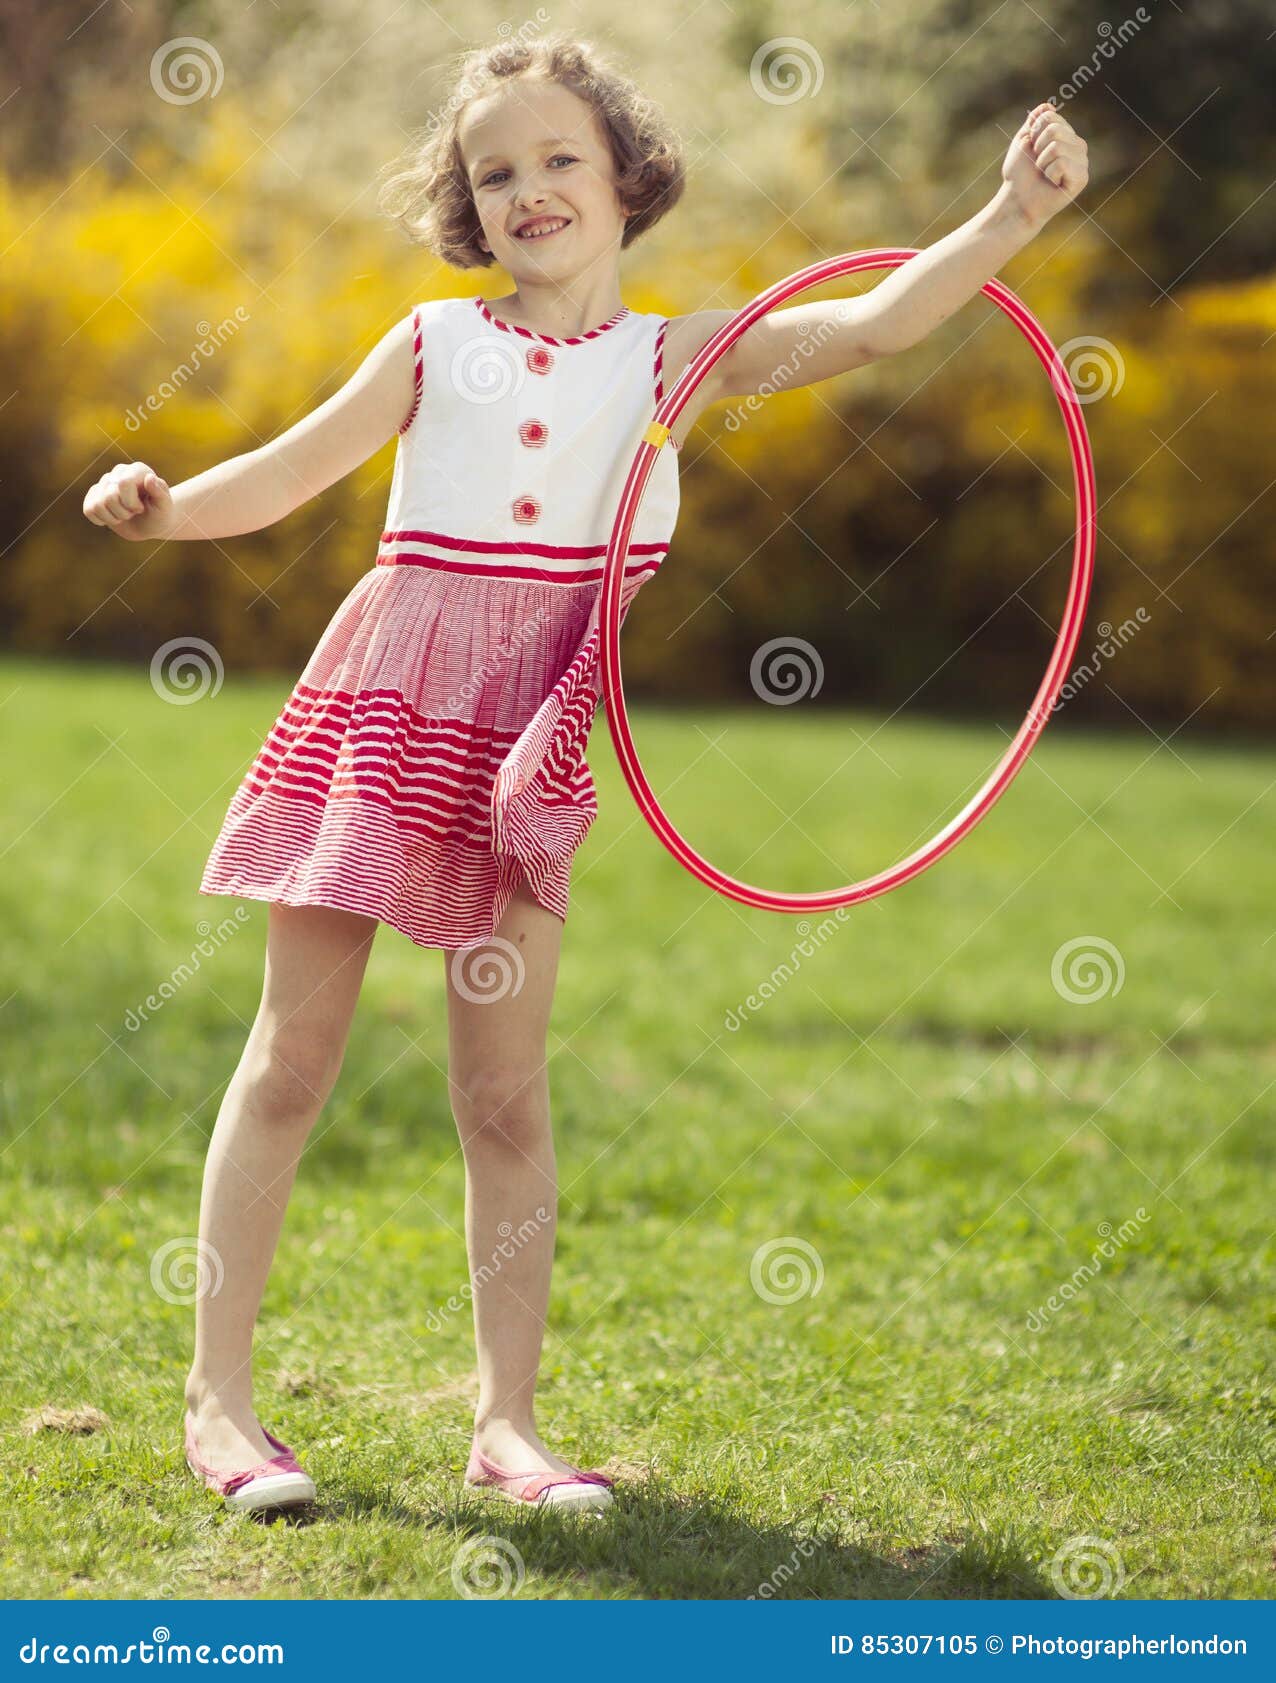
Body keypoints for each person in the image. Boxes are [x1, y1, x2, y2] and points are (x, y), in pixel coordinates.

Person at [81, 33, 1088, 1515]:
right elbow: (288, 472)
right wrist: (163, 509)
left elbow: (876, 324)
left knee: (502, 1090)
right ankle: (218, 1407)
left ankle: (508, 1426)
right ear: (469, 208)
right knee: (293, 1056)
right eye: (495, 172)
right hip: (390, 706)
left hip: (532, 735)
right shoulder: (435, 343)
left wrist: (1012, 215)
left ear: (627, 182)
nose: (530, 189)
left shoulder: (671, 362)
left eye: (561, 158)